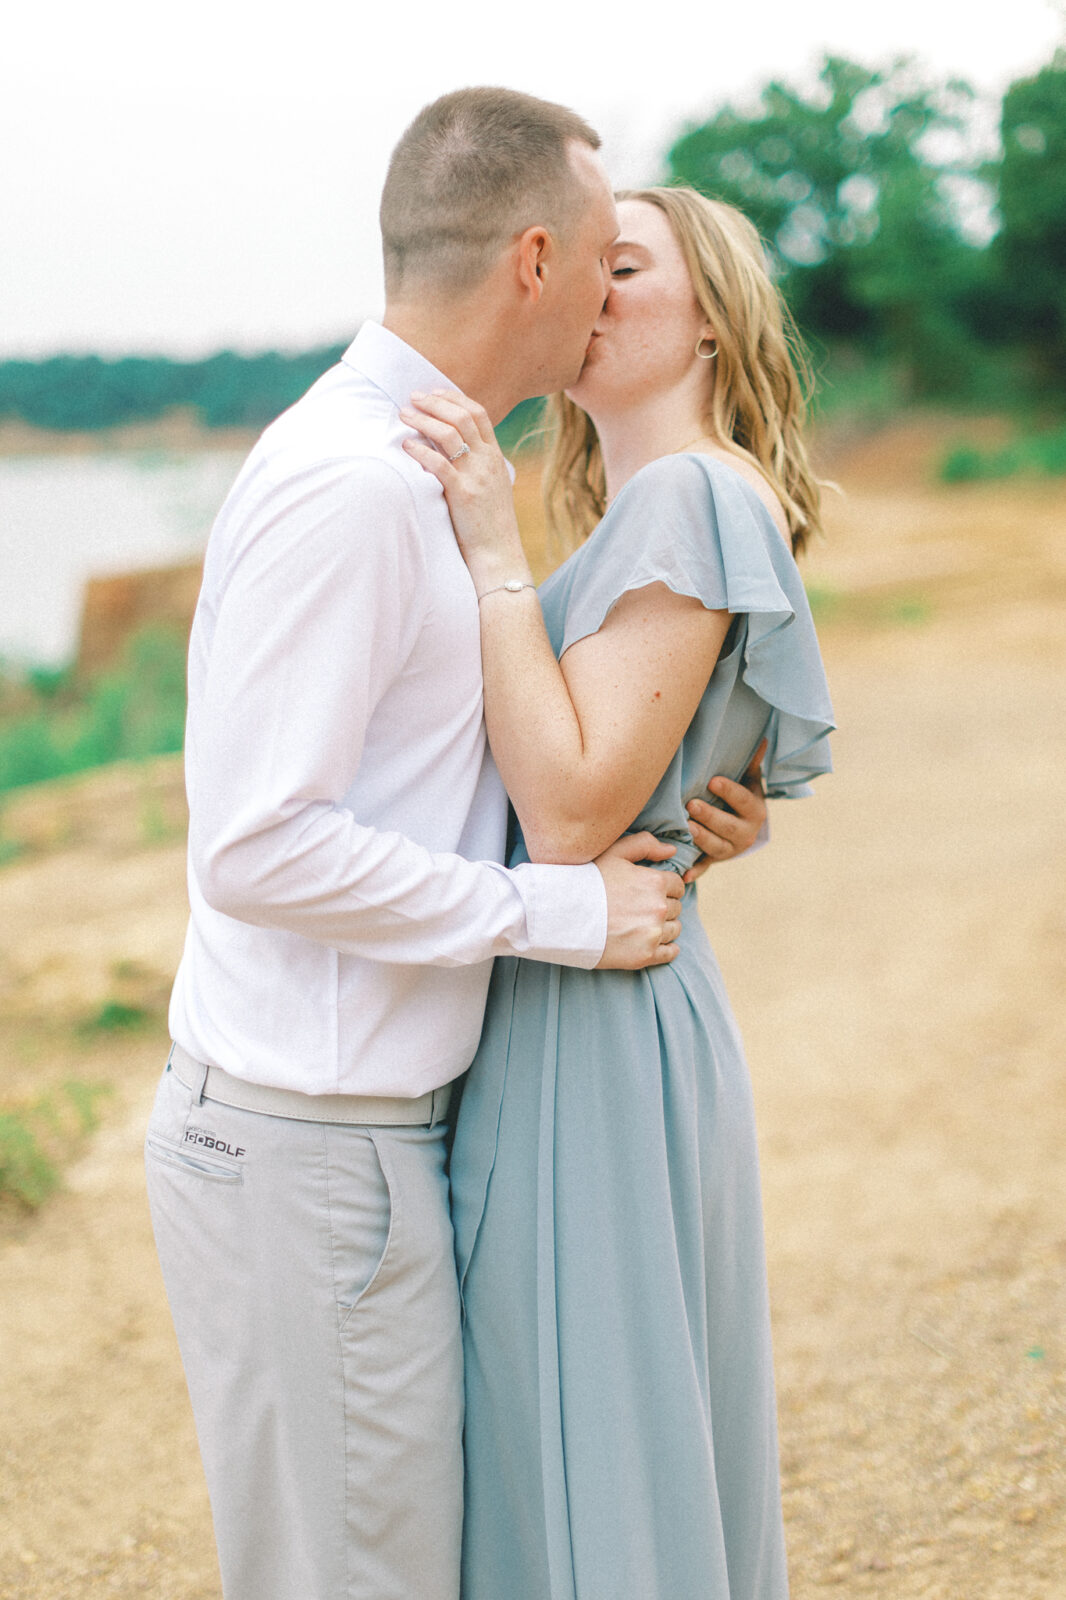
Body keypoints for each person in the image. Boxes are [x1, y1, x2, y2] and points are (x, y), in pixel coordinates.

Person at [143, 95, 768, 1600]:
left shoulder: (416, 471)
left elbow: (422, 777)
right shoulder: (356, 488)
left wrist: (668, 812)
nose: (617, 291)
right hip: (309, 1142)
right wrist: (555, 908)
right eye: (607, 255)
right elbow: (260, 847)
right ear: (535, 262)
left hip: (369, 1136)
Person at [402, 185, 835, 1599]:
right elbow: (696, 767)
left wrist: (489, 559)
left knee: (581, 1432)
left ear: (709, 308)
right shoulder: (685, 498)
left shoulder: (687, 493)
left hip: (592, 1024)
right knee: (599, 1428)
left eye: (628, 267)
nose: (591, 293)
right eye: (585, 267)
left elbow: (573, 803)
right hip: (600, 1000)